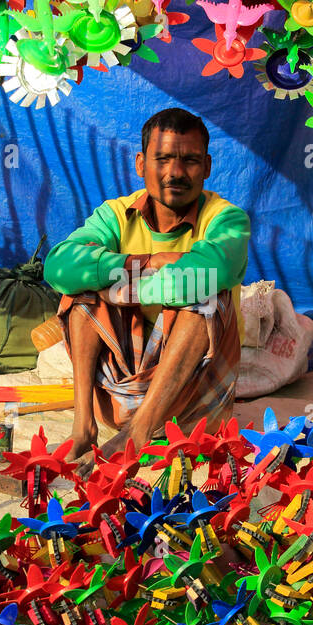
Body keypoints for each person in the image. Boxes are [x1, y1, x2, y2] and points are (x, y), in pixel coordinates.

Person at [45, 107, 251, 463]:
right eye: (164, 158)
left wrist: (118, 289)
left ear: (207, 167)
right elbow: (59, 266)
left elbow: (209, 271)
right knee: (79, 293)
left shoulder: (226, 219)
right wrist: (144, 264)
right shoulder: (114, 215)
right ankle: (84, 428)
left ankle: (136, 439)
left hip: (193, 398)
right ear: (141, 164)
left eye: (189, 160)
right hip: (119, 391)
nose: (175, 172)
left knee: (204, 294)